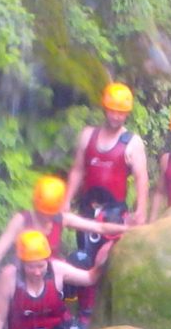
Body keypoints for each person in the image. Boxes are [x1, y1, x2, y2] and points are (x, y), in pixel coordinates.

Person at [0, 175, 126, 284]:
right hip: (24, 274)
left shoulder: (61, 218)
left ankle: (80, 314)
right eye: (42, 212)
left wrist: (128, 229)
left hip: (51, 272)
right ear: (35, 205)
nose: (46, 217)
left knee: (82, 263)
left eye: (50, 213)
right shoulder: (21, 220)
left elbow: (99, 227)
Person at [63, 82, 150, 227]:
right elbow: (77, 169)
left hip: (115, 212)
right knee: (84, 248)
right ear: (105, 109)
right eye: (112, 111)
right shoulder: (87, 135)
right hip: (87, 208)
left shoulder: (132, 143)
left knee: (108, 250)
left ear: (127, 113)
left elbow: (141, 178)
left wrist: (141, 210)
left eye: (121, 113)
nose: (116, 116)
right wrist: (66, 199)